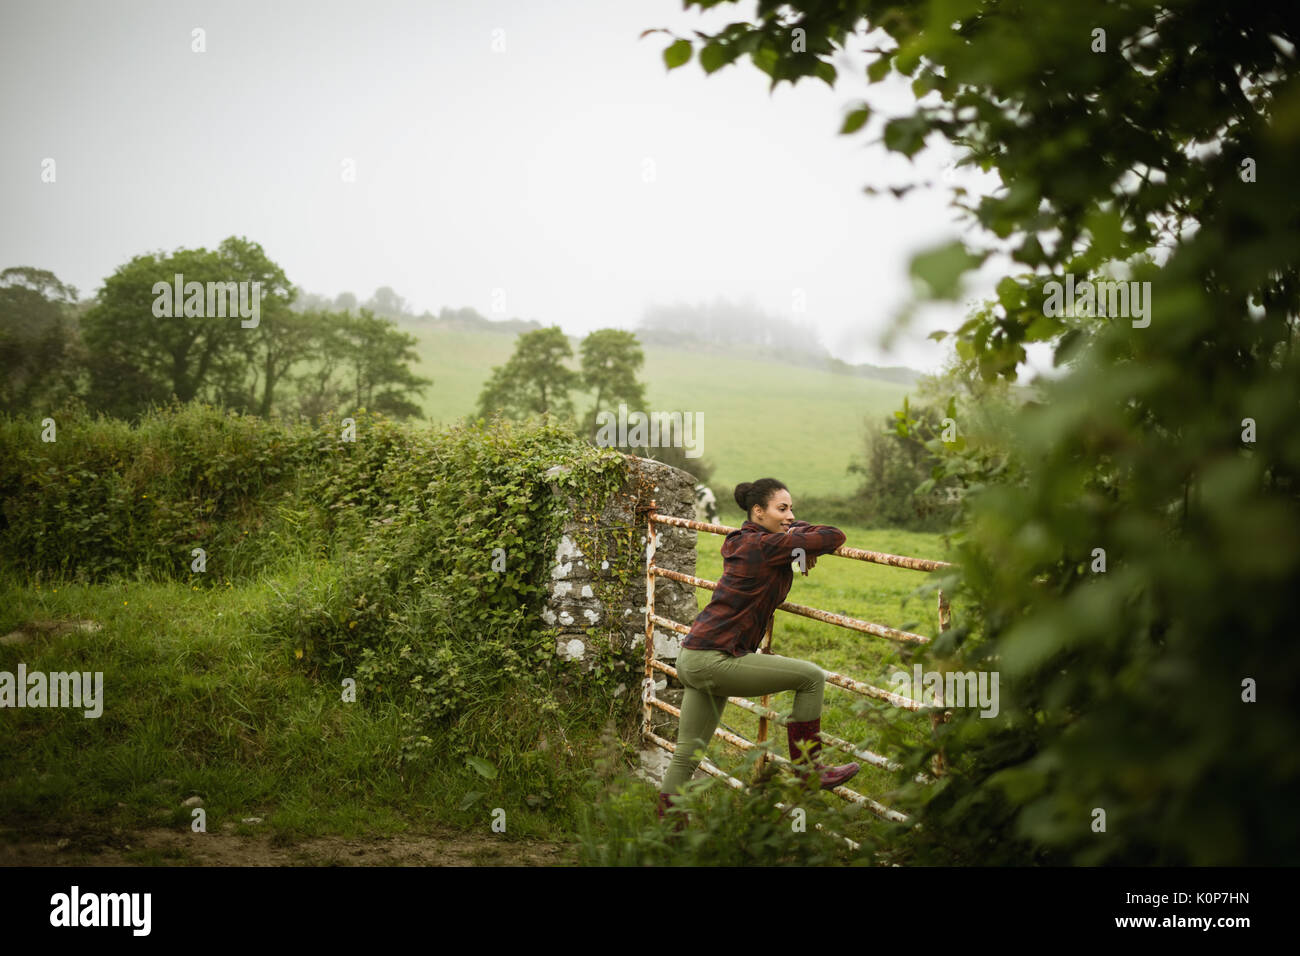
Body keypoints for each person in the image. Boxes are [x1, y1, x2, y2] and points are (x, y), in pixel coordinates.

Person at [657, 478, 860, 826]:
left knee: (687, 756)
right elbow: (834, 535)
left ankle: (667, 834)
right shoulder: (767, 545)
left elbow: (806, 542)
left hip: (694, 655)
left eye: (791, 508)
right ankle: (809, 770)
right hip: (714, 659)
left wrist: (794, 538)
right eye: (782, 509)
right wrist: (798, 538)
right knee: (810, 677)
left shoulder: (747, 540)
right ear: (757, 511)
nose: (790, 515)